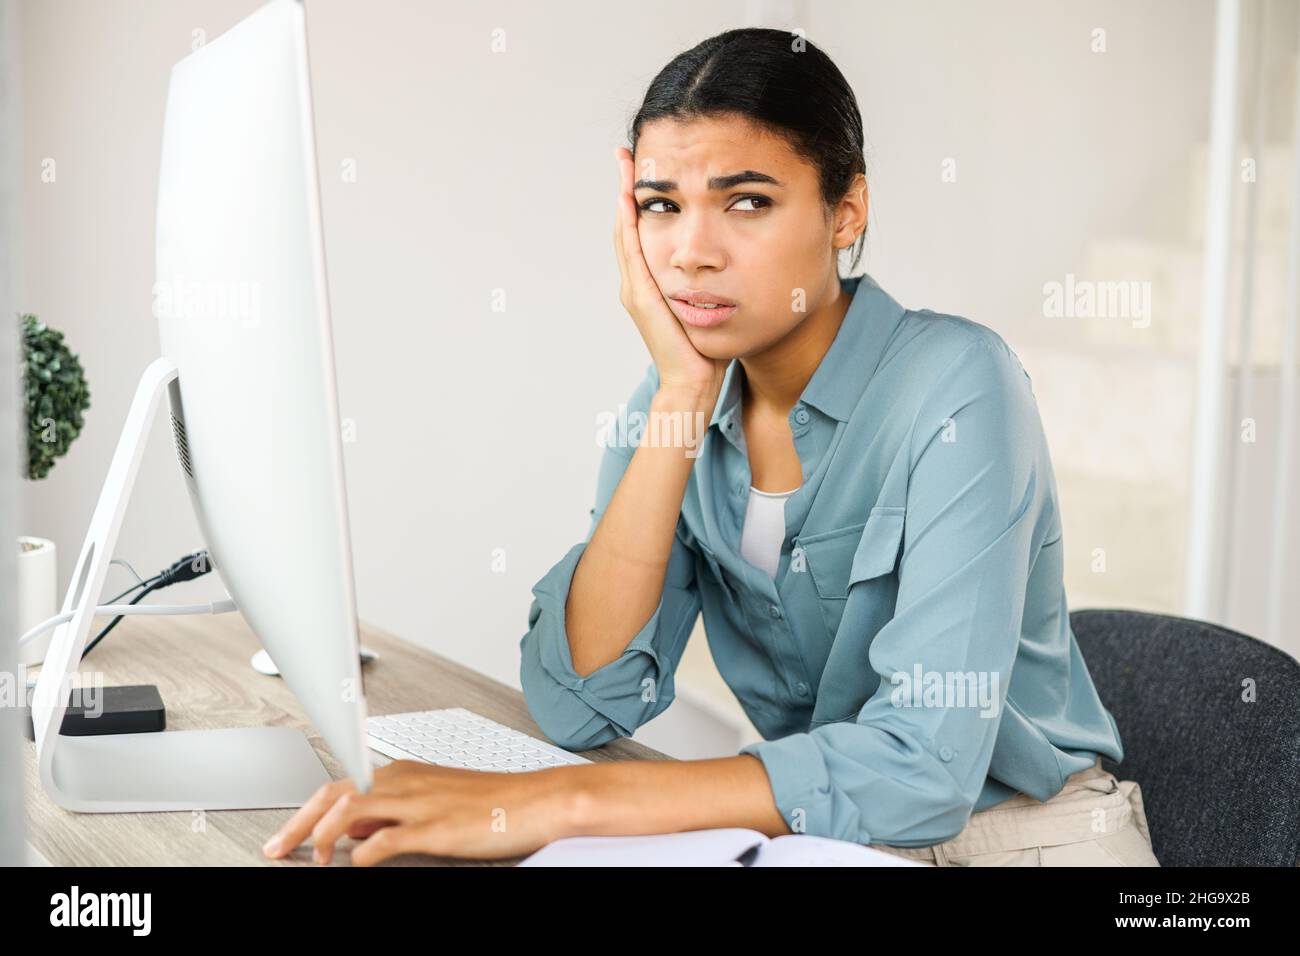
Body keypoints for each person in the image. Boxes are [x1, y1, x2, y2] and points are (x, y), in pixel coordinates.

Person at [263, 27, 1158, 867]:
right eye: (661, 206)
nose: (691, 253)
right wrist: (685, 396)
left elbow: (923, 768)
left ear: (847, 210)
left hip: (1020, 842)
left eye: (747, 202)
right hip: (831, 841)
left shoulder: (961, 384)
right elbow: (581, 704)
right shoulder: (675, 396)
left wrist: (566, 804)